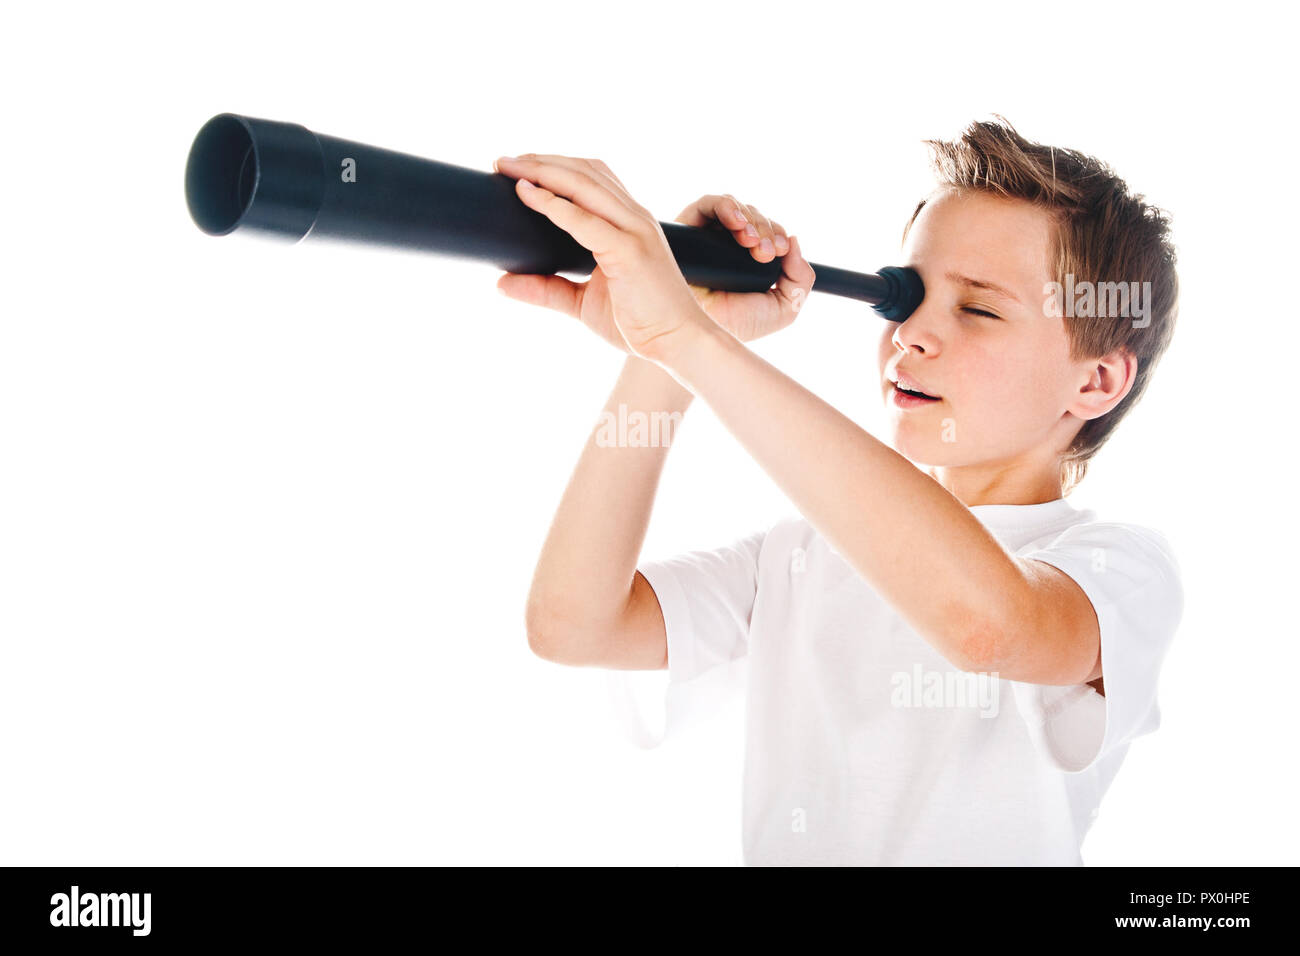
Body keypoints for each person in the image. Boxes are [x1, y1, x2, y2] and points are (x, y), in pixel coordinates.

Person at [499, 117, 1184, 866]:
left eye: (979, 309)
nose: (910, 337)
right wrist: (661, 350)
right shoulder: (798, 557)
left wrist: (688, 338)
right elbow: (573, 626)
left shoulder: (1120, 568)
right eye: (905, 299)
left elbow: (989, 627)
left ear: (1096, 380)